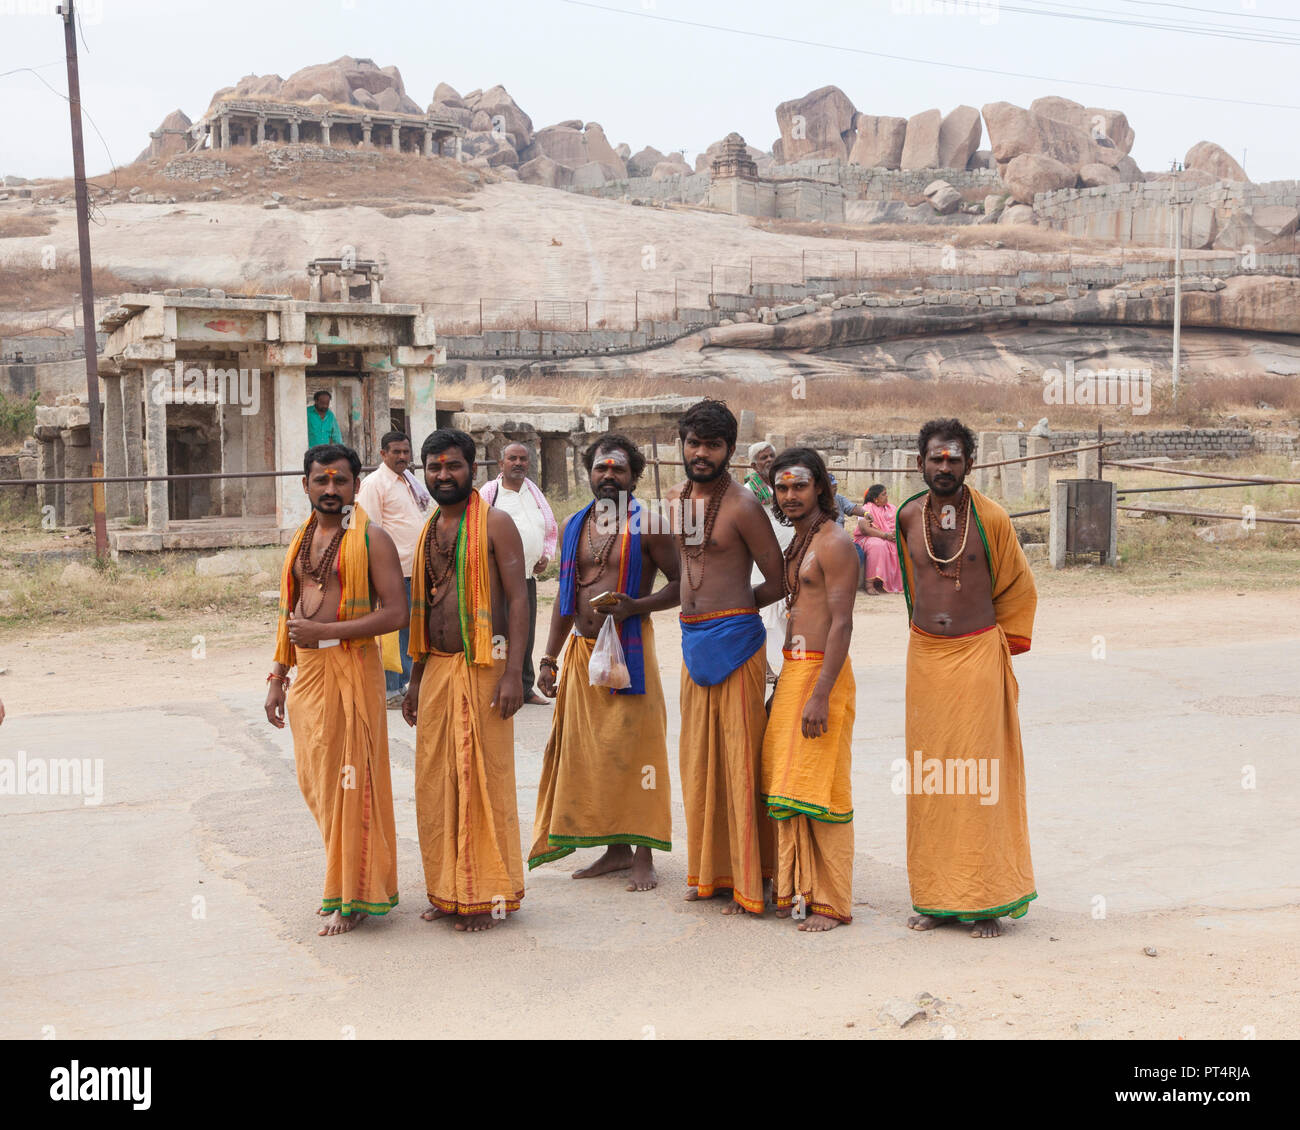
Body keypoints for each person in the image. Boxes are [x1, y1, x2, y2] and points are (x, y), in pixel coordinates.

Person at [895, 418, 1038, 939]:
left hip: (977, 655)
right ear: (921, 463)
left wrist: (999, 648)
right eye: (936, 458)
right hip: (925, 658)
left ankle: (984, 900)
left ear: (970, 465)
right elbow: (914, 589)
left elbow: (1019, 586)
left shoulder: (992, 517)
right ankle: (936, 898)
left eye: (954, 458)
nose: (945, 466)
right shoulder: (908, 517)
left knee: (979, 776)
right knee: (931, 775)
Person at [264, 443, 407, 937]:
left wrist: (328, 634)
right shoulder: (301, 540)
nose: (330, 489)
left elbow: (396, 614)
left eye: (340, 480)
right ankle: (343, 879)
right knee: (321, 786)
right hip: (308, 679)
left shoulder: (373, 539)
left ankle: (353, 896)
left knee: (354, 782)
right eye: (320, 481)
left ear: (355, 484)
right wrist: (278, 676)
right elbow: (290, 614)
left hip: (352, 673)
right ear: (305, 485)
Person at [528, 434, 680, 891]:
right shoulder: (575, 524)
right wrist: (549, 657)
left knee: (637, 751)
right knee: (593, 754)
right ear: (588, 474)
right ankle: (614, 851)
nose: (608, 476)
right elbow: (564, 598)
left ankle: (644, 854)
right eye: (600, 469)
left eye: (617, 469)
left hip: (629, 651)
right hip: (581, 651)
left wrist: (636, 606)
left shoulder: (649, 525)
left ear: (633, 475)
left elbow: (681, 586)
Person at [402, 428, 530, 933]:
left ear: (472, 469)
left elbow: (519, 600)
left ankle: (486, 894)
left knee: (481, 780)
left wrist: (515, 674)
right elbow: (424, 608)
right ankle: (448, 889)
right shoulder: (429, 526)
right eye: (433, 468)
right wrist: (414, 680)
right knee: (437, 783)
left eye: (452, 466)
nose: (443, 475)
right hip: (435, 667)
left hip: (485, 667)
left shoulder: (496, 523)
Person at [667, 400, 784, 915]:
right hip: (692, 640)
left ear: (729, 451)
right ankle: (710, 873)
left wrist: (735, 613)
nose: (701, 453)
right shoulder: (677, 501)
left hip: (737, 644)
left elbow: (778, 579)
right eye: (694, 443)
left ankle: (751, 877)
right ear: (682, 445)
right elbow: (685, 572)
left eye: (712, 445)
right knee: (700, 762)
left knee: (739, 764)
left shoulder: (743, 506)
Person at [761, 449, 858, 931]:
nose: (790, 495)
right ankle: (797, 889)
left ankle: (830, 902)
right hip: (793, 670)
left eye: (799, 486)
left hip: (822, 674)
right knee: (788, 782)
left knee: (822, 785)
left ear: (820, 486)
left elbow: (842, 623)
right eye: (782, 488)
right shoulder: (800, 540)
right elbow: (781, 595)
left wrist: (821, 693)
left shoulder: (835, 542)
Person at [480, 442, 558, 706]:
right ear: (501, 463)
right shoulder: (491, 492)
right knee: (499, 632)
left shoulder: (533, 492)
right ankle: (496, 683)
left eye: (523, 459)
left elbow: (549, 527)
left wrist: (545, 556)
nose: (518, 463)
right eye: (512, 458)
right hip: (498, 580)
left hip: (527, 577)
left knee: (526, 631)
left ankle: (524, 687)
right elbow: (477, 530)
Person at [356, 431, 430, 705]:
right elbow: (368, 529)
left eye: (405, 452)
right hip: (392, 571)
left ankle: (402, 685)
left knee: (410, 629)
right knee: (392, 631)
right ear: (383, 454)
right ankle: (388, 690)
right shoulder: (375, 484)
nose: (402, 457)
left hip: (414, 569)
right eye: (396, 452)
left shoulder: (408, 481)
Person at [743, 440, 794, 680]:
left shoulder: (785, 485)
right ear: (754, 465)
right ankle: (766, 667)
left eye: (772, 455)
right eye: (763, 457)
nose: (769, 460)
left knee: (788, 612)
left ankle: (787, 664)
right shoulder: (749, 491)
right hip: (762, 562)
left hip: (789, 557)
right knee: (764, 617)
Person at [855, 484, 903, 594]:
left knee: (902, 544)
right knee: (877, 545)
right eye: (884, 494)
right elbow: (865, 529)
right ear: (875, 499)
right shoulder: (866, 509)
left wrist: (895, 534)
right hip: (868, 538)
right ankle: (869, 584)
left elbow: (898, 524)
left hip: (889, 537)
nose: (887, 496)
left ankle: (897, 582)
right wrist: (886, 536)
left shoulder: (892, 508)